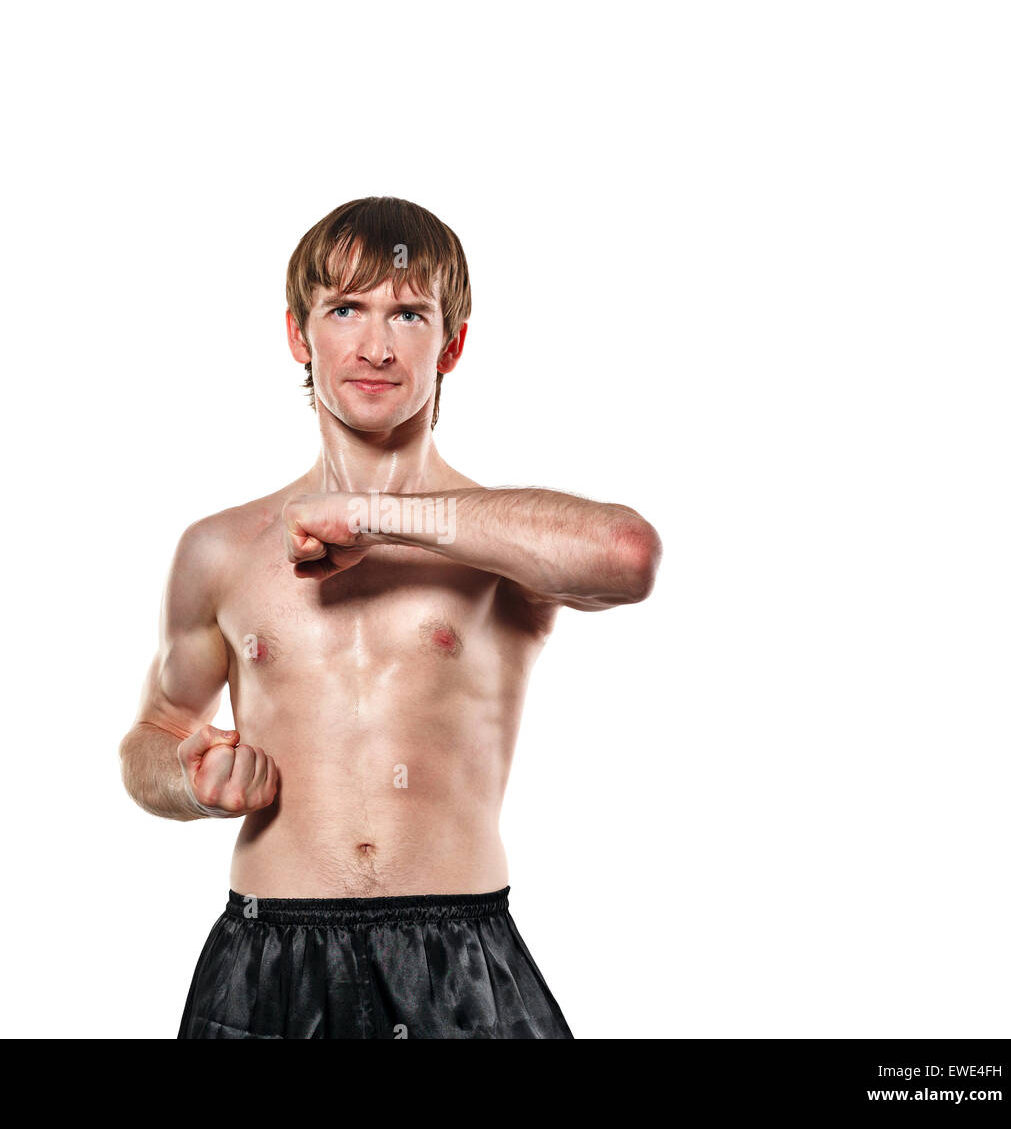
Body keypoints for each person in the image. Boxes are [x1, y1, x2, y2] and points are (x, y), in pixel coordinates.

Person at [118, 196, 661, 1038]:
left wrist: (380, 518)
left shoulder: (500, 539)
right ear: (300, 336)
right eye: (346, 310)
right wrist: (190, 782)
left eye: (409, 313)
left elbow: (627, 555)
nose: (376, 347)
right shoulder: (219, 548)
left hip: (460, 956)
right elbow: (154, 734)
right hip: (271, 956)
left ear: (453, 341)